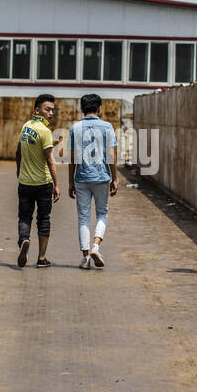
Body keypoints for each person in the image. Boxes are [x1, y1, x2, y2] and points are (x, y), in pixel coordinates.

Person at [67, 94, 118, 270]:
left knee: (83, 217)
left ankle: (86, 256)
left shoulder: (75, 128)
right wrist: (115, 178)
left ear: (82, 109)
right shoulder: (107, 127)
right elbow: (111, 155)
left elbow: (72, 158)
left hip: (81, 178)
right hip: (102, 177)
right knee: (102, 213)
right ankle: (96, 246)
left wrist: (70, 182)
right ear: (100, 108)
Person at [16, 94, 60, 268]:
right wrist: (57, 185)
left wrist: (19, 173)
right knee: (43, 219)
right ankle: (42, 258)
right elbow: (50, 160)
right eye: (47, 109)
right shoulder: (45, 131)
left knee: (25, 216)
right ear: (37, 110)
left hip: (25, 182)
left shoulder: (25, 127)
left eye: (52, 110)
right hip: (43, 183)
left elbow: (18, 153)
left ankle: (24, 239)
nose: (50, 113)